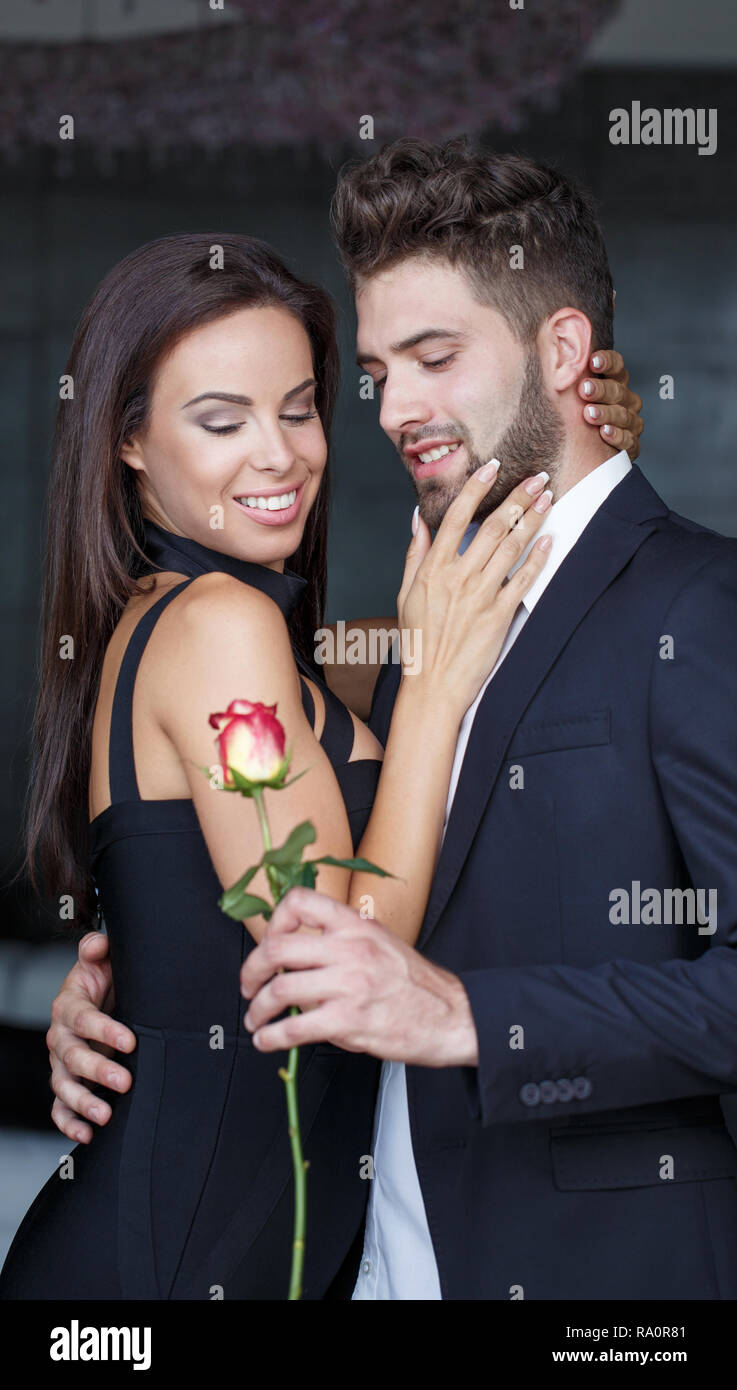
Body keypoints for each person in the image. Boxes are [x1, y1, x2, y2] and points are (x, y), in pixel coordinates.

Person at [28, 148, 648, 1301]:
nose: (280, 454)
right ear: (124, 440)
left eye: (303, 406)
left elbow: (454, 689)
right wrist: (443, 673)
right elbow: (337, 949)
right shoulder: (212, 624)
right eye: (220, 420)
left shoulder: (247, 636)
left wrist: (593, 456)